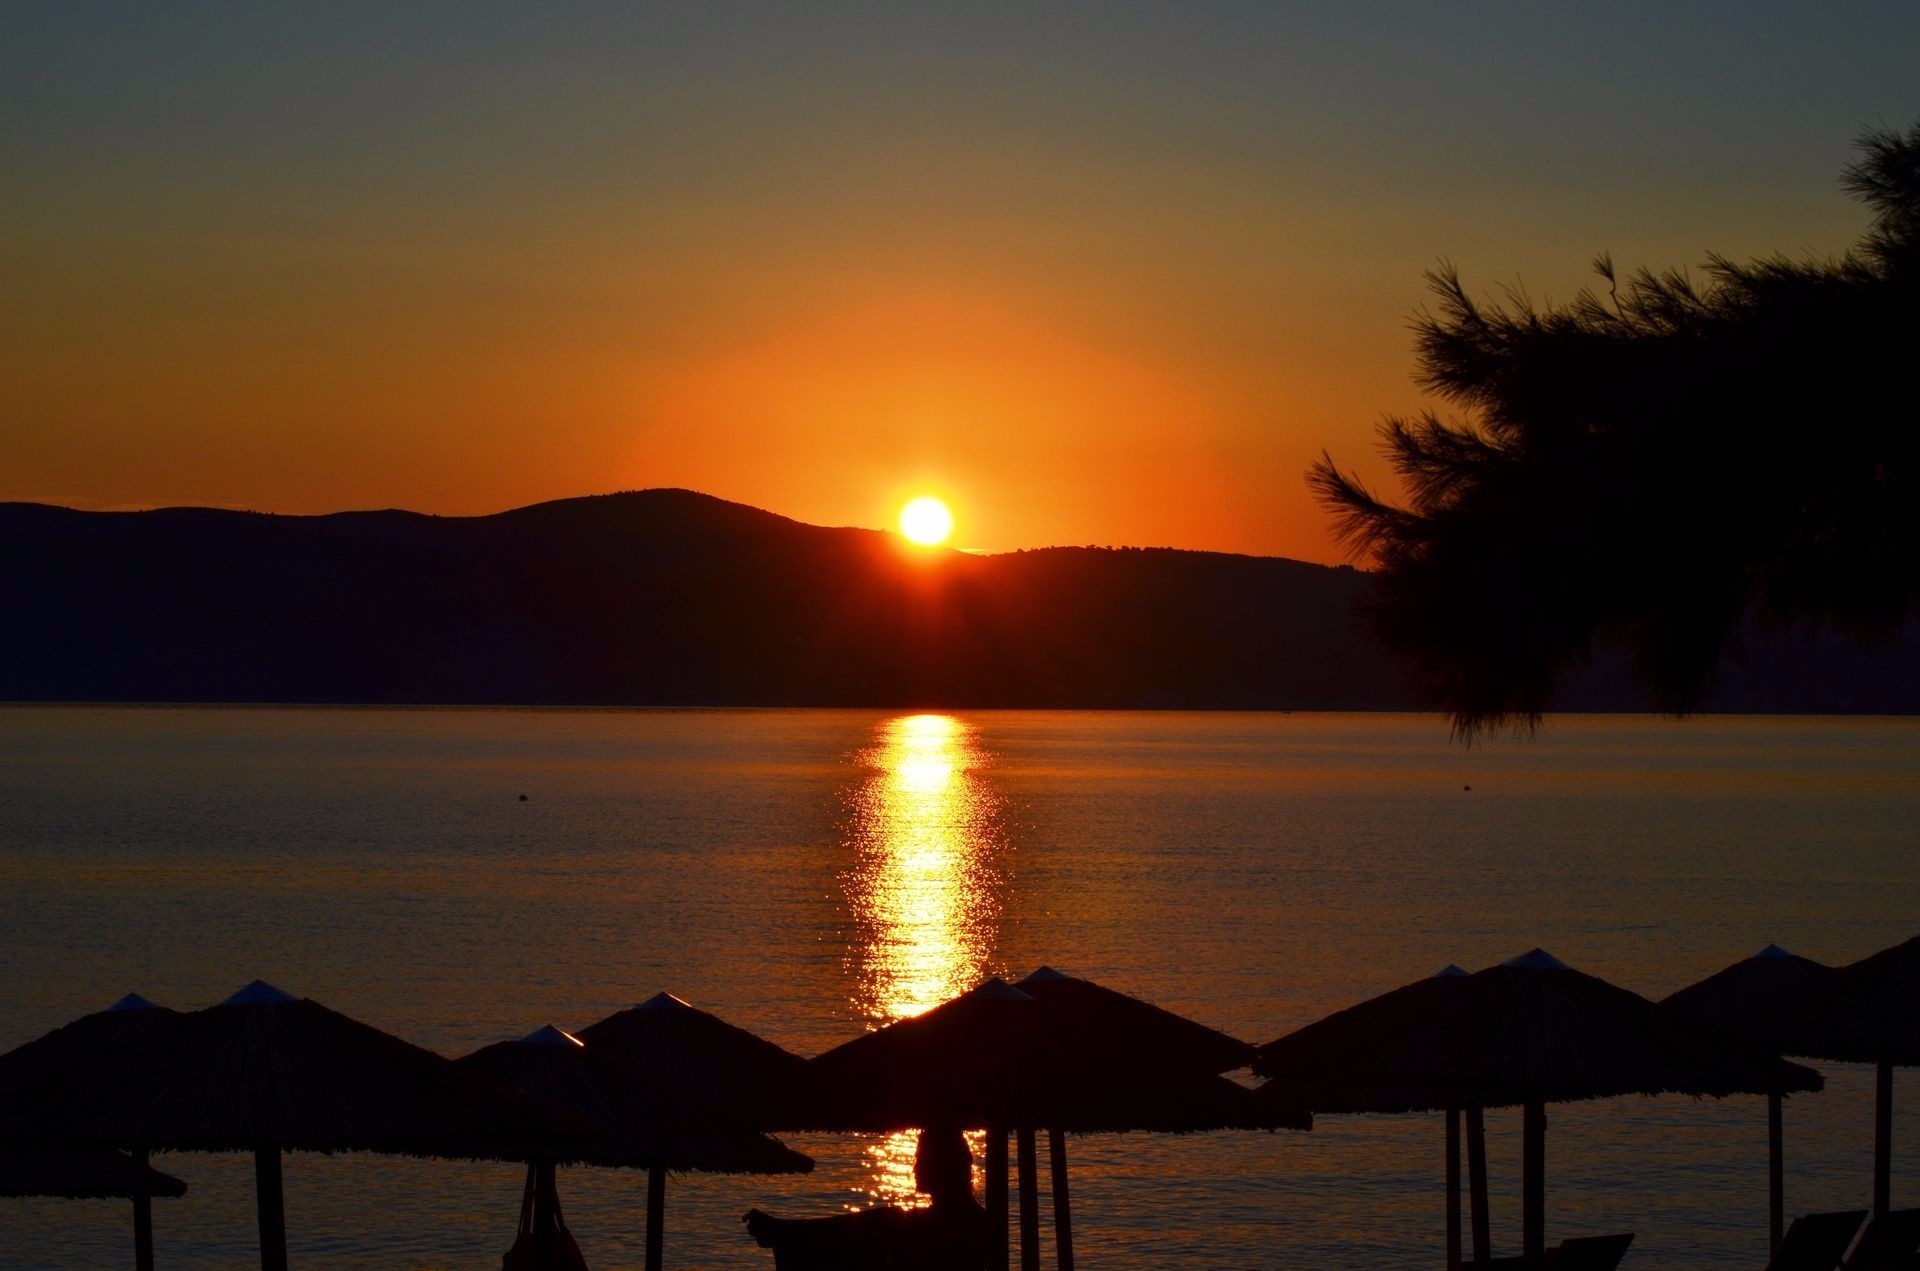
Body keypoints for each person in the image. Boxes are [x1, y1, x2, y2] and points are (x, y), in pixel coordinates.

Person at [744, 1127, 991, 1270]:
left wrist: (783, 1231)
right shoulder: (923, 1220)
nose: (914, 1168)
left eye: (921, 1158)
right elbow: (846, 1227)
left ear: (943, 1164)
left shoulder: (959, 1225)